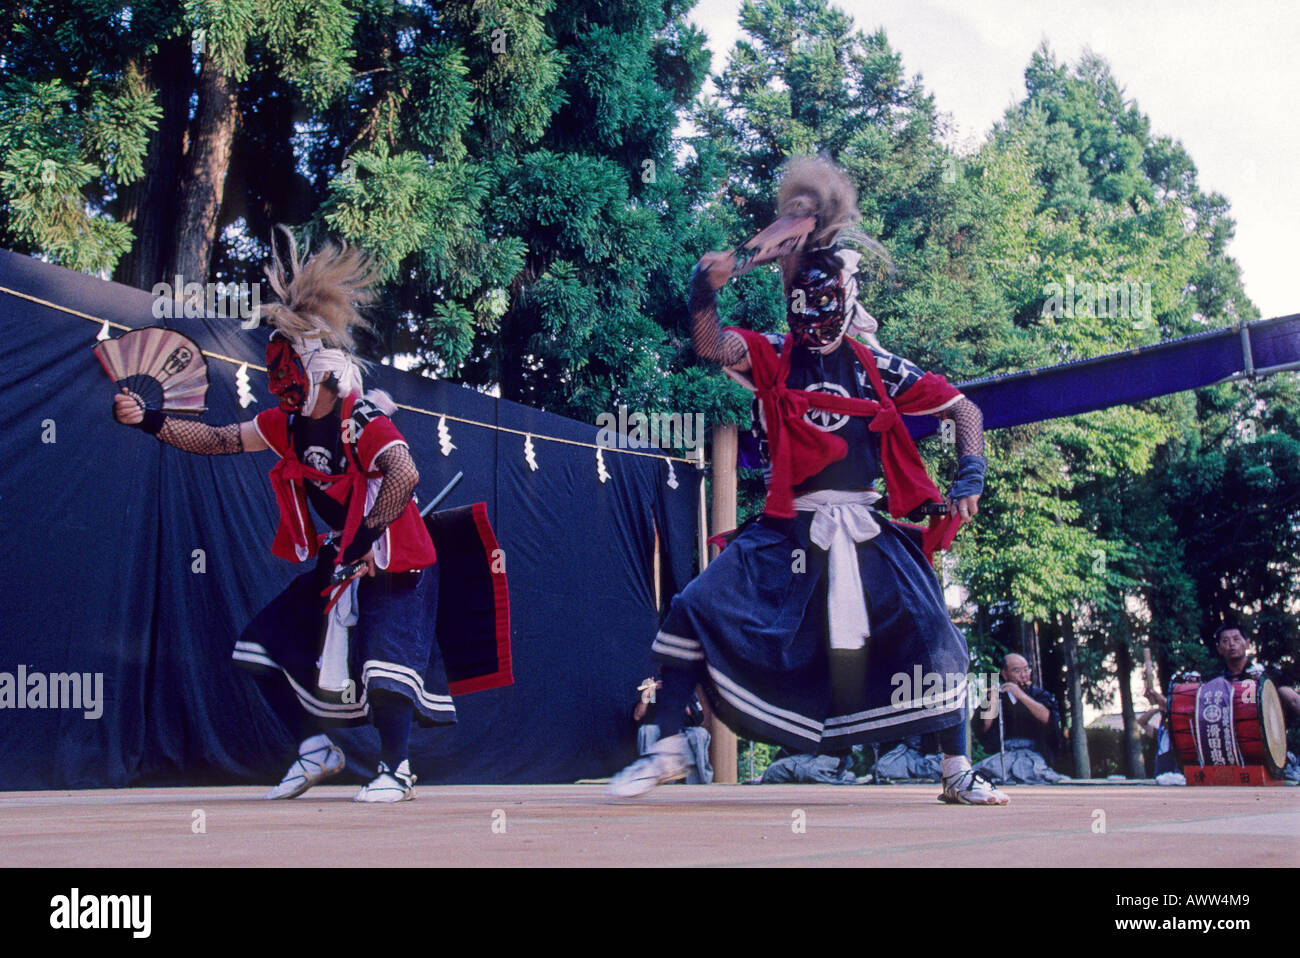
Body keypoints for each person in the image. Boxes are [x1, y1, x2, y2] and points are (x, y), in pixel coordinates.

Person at [606, 157, 1006, 805]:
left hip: (871, 527)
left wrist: (971, 472)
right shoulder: (769, 356)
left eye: (826, 304)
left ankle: (957, 770)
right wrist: (702, 290)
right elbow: (710, 346)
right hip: (787, 528)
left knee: (935, 632)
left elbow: (965, 410)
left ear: (848, 302)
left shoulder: (878, 367)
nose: (814, 317)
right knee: (692, 607)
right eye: (803, 305)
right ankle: (667, 749)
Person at [112, 231, 448, 803]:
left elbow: (405, 475)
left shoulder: (360, 419)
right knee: (260, 646)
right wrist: (150, 420)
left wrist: (365, 543)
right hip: (342, 559)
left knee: (385, 664)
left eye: (289, 363)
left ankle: (398, 768)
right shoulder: (284, 425)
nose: (280, 376)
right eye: (277, 364)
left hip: (395, 560)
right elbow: (219, 440)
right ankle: (316, 749)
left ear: (320, 366)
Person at [1212, 622, 1300, 781]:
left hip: (1270, 751)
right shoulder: (1215, 682)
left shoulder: (1265, 674)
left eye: (1236, 639)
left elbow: (1294, 701)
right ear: (1219, 649)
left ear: (1247, 643)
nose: (1232, 644)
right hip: (1231, 754)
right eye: (1225, 641)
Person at [973, 653, 1066, 784]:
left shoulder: (1039, 695)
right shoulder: (997, 696)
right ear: (1005, 674)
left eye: (1026, 669)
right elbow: (984, 728)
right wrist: (992, 703)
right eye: (1017, 670)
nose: (1024, 675)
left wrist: (1021, 695)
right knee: (981, 775)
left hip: (1033, 753)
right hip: (1005, 754)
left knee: (1036, 774)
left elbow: (1048, 718)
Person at [632, 677, 713, 783]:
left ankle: (699, 781)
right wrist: (646, 695)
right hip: (659, 728)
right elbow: (638, 716)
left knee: (699, 734)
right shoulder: (654, 691)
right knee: (646, 730)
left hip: (684, 729)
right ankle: (648, 779)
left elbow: (697, 718)